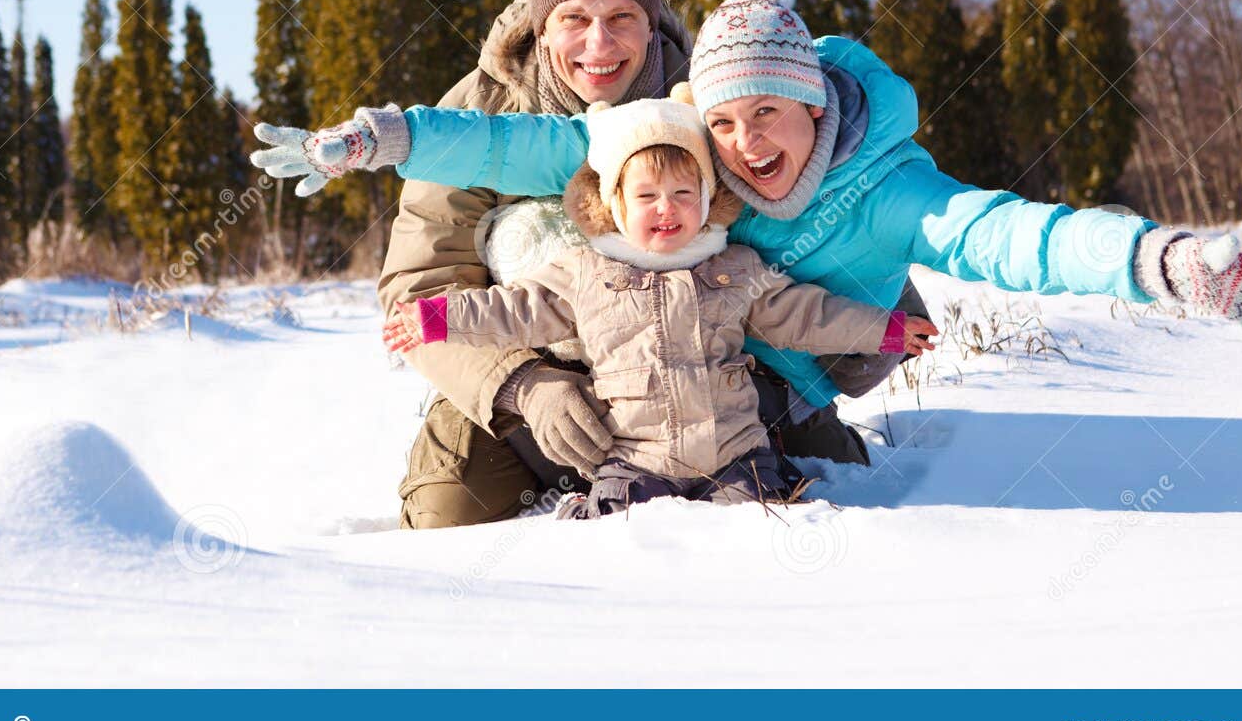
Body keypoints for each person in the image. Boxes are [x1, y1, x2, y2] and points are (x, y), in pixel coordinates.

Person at [257, 0, 1242, 419]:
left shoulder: (897, 188)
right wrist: (386, 136)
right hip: (664, 374)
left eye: (770, 114)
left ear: (816, 106)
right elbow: (523, 144)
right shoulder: (688, 151)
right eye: (725, 123)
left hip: (783, 395)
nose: (747, 145)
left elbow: (1012, 234)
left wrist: (1154, 261)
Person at [253, 0, 902, 527]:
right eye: (575, 20)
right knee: (446, 517)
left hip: (700, 365)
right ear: (541, 29)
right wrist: (519, 384)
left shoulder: (708, 102)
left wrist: (881, 293)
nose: (600, 45)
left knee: (828, 488)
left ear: (651, 25)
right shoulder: (477, 119)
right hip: (528, 376)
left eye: (622, 18)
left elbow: (798, 206)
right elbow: (419, 291)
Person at [381, 87, 937, 518]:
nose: (665, 209)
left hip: (737, 459)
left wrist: (886, 331)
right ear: (613, 202)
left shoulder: (734, 268)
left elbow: (808, 316)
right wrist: (433, 318)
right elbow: (512, 310)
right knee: (625, 548)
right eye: (646, 196)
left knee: (758, 536)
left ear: (706, 198)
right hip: (631, 464)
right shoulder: (585, 273)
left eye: (682, 194)